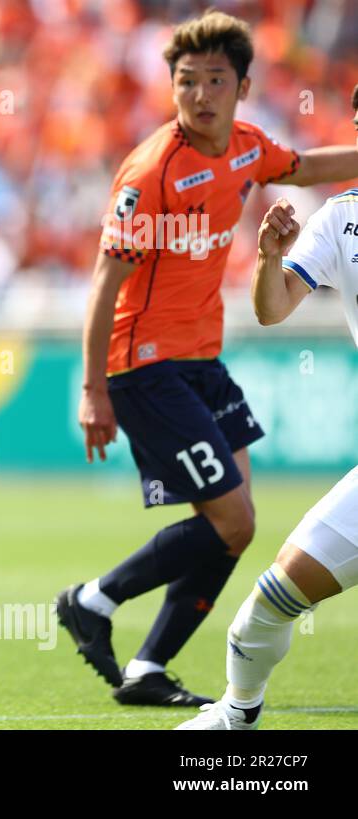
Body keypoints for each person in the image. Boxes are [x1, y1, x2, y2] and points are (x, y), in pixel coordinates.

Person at [56, 10, 358, 707]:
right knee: (234, 521)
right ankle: (94, 600)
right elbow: (106, 281)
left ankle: (145, 668)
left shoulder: (248, 148)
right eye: (185, 81)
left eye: (213, 80)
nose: (198, 94)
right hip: (144, 365)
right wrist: (93, 388)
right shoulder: (151, 172)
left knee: (236, 523)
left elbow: (306, 166)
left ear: (242, 87)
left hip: (202, 360)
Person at [178, 86, 358, 730]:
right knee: (263, 610)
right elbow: (272, 307)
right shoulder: (341, 219)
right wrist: (270, 257)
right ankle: (236, 713)